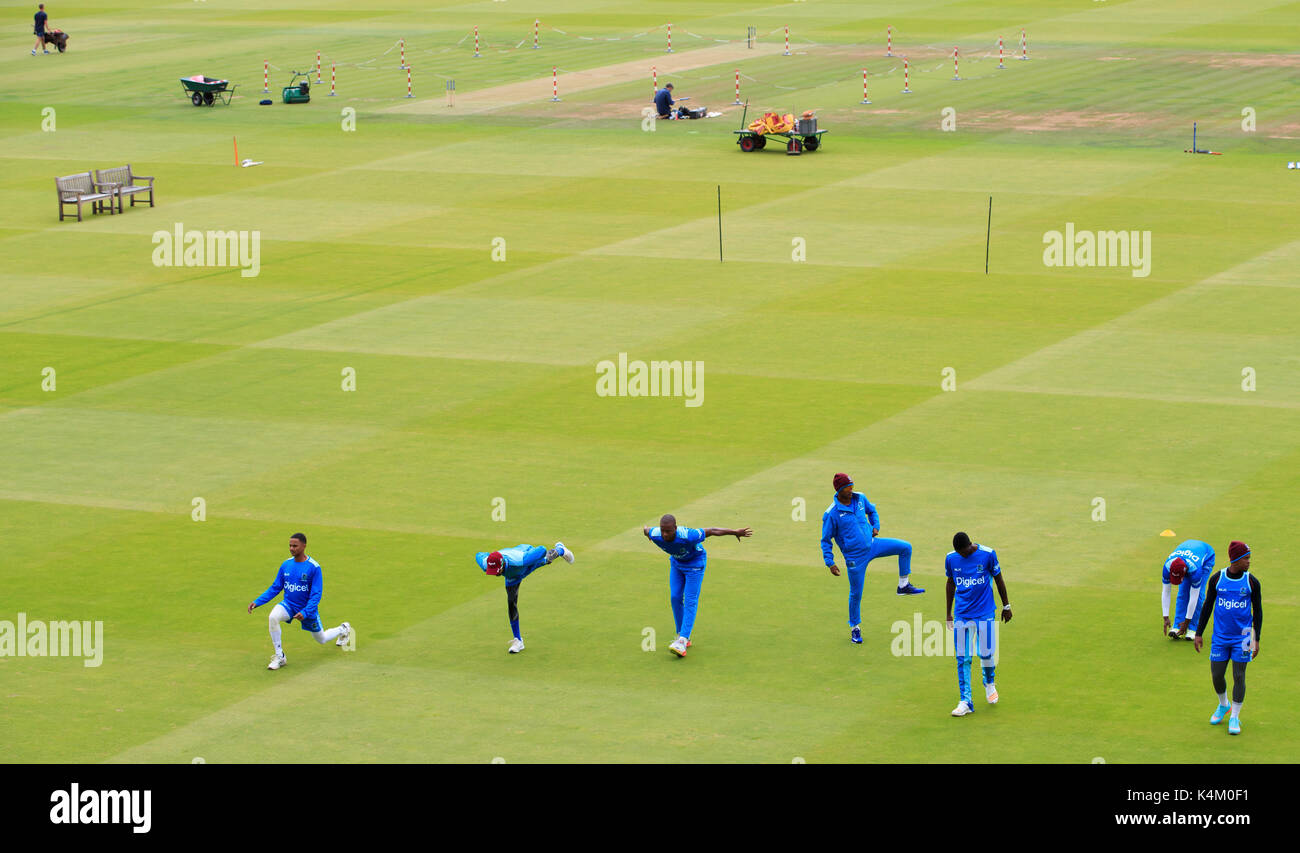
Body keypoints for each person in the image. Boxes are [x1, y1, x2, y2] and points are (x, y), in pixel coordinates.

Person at [821, 472, 923, 645]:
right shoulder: (832, 513)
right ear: (839, 490)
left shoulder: (860, 498)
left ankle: (903, 585)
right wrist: (830, 562)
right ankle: (855, 628)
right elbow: (825, 540)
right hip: (855, 558)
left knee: (906, 547)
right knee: (856, 594)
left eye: (852, 486)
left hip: (873, 544)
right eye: (848, 487)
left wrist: (876, 525)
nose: (851, 489)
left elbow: (872, 510)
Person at [644, 514, 752, 657]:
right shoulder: (656, 534)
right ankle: (682, 636)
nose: (665, 534)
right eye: (663, 530)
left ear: (675, 528)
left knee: (690, 600)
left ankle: (682, 641)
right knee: (675, 597)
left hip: (695, 564)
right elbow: (646, 530)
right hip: (677, 564)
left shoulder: (689, 535)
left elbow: (713, 530)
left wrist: (735, 532)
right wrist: (647, 533)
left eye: (668, 531)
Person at [247, 532, 351, 670]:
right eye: (290, 545)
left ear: (304, 546)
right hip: (288, 605)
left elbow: (316, 595)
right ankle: (280, 656)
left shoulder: (314, 567)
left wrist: (306, 612)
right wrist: (257, 602)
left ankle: (343, 629)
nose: (291, 548)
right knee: (273, 617)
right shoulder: (286, 565)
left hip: (307, 609)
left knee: (322, 639)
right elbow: (275, 587)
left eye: (295, 546)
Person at [1193, 540, 1261, 735]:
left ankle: (1235, 717)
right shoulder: (1217, 579)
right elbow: (1207, 607)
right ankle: (1224, 705)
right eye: (1246, 558)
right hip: (1220, 636)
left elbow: (1259, 610)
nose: (1249, 562)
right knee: (1216, 674)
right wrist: (1198, 633)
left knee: (1239, 676)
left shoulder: (1251, 582)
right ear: (1236, 559)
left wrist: (1256, 638)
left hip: (1244, 636)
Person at [945, 532, 1012, 716]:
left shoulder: (988, 554)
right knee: (963, 657)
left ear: (970, 545)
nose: (963, 556)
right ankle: (966, 701)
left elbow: (999, 579)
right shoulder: (951, 558)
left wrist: (1006, 605)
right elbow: (950, 583)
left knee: (986, 652)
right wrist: (948, 614)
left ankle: (989, 683)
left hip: (985, 612)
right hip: (962, 614)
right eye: (959, 553)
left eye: (965, 552)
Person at [476, 542, 574, 653]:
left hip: (526, 562)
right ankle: (518, 641)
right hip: (513, 576)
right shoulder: (486, 564)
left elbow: (542, 549)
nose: (495, 574)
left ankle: (560, 549)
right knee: (511, 602)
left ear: (503, 564)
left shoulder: (520, 559)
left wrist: (533, 556)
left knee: (547, 559)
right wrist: (492, 557)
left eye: (497, 571)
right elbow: (478, 554)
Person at [1161, 539, 1214, 640]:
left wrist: (1187, 622)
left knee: (1198, 595)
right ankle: (1177, 626)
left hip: (1207, 556)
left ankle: (1193, 628)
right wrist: (1165, 617)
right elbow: (1166, 592)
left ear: (1185, 572)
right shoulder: (1167, 567)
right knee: (1183, 592)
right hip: (1188, 552)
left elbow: (1194, 597)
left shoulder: (1195, 570)